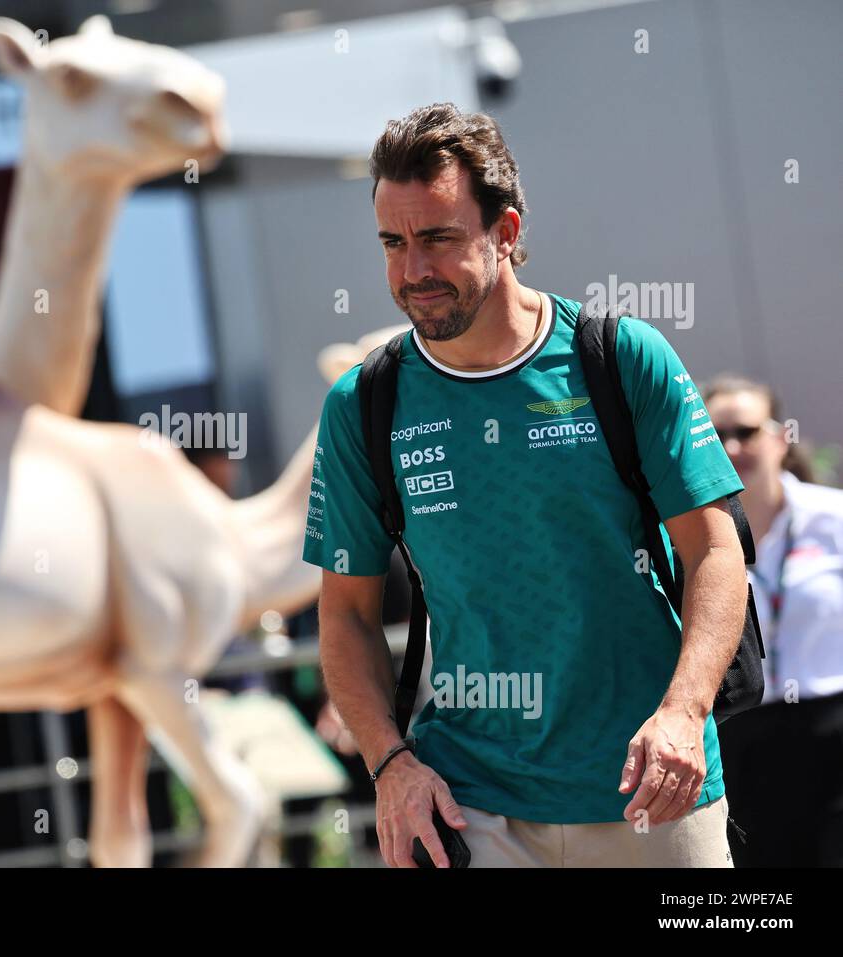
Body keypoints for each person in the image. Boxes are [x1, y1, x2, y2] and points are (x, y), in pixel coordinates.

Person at [303, 103, 750, 868]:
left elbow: (715, 551)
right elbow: (345, 614)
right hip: (470, 796)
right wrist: (390, 765)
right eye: (392, 243)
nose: (413, 271)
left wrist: (683, 711)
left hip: (651, 785)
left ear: (506, 233)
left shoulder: (620, 357)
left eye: (439, 239)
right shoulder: (363, 405)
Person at [702, 375, 843, 866]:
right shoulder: (688, 532)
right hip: (741, 733)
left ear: (782, 437)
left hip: (832, 724)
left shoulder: (833, 517)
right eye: (715, 435)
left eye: (745, 431)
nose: (732, 447)